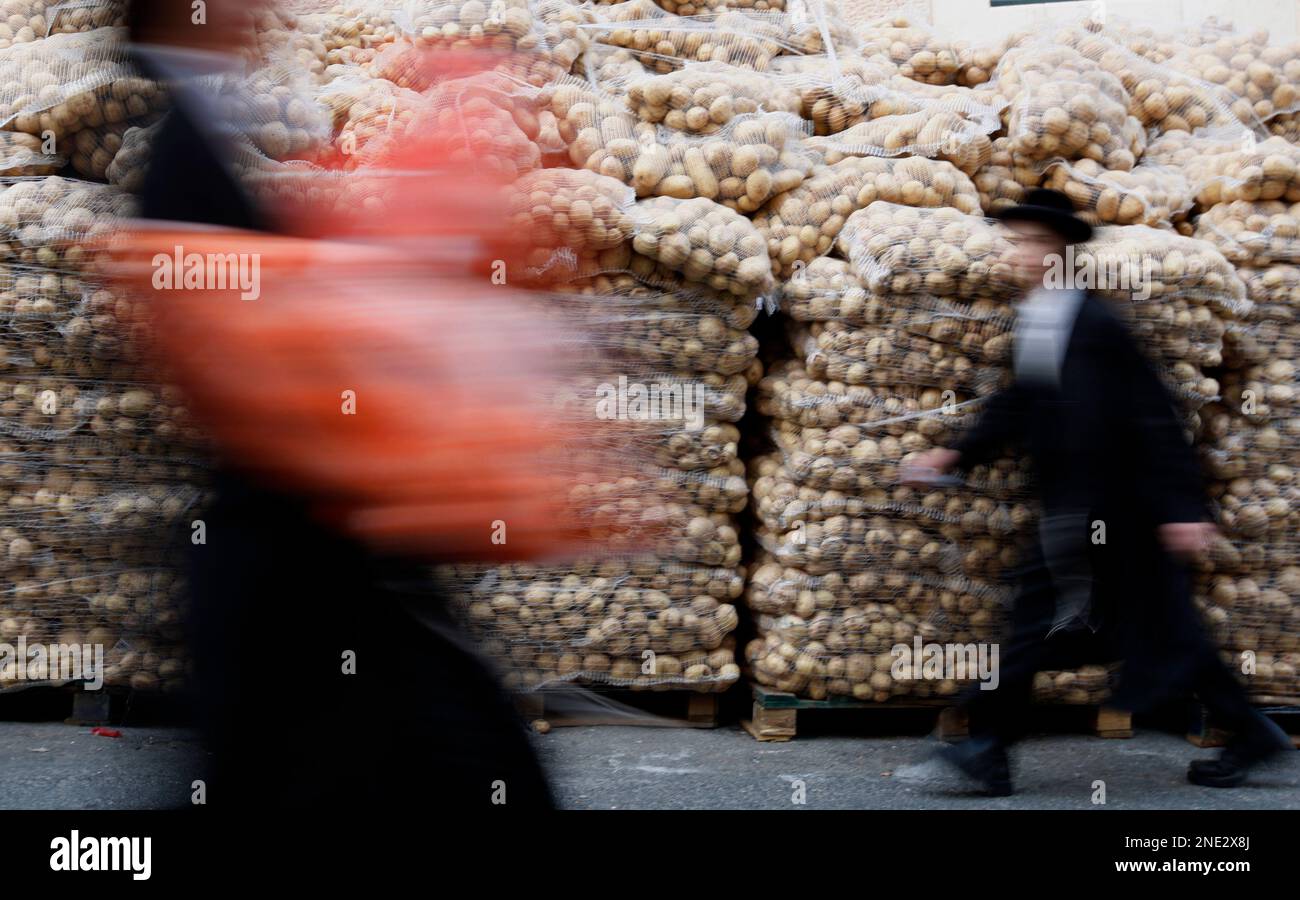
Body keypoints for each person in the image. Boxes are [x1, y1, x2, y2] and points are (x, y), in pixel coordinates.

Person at [125, 0, 560, 809]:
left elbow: (277, 302)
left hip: (304, 545)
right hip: (292, 543)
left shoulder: (205, 125)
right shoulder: (178, 147)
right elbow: (220, 343)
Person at [905, 188, 1293, 794]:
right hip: (1076, 504)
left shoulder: (1096, 322)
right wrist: (956, 451)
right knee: (1160, 626)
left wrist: (1183, 509)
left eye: (1032, 243)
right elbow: (1021, 402)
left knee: (1044, 621)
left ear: (1059, 251)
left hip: (1121, 504)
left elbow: (1155, 416)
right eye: (1018, 241)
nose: (1020, 254)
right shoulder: (1038, 318)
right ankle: (1251, 732)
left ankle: (987, 750)